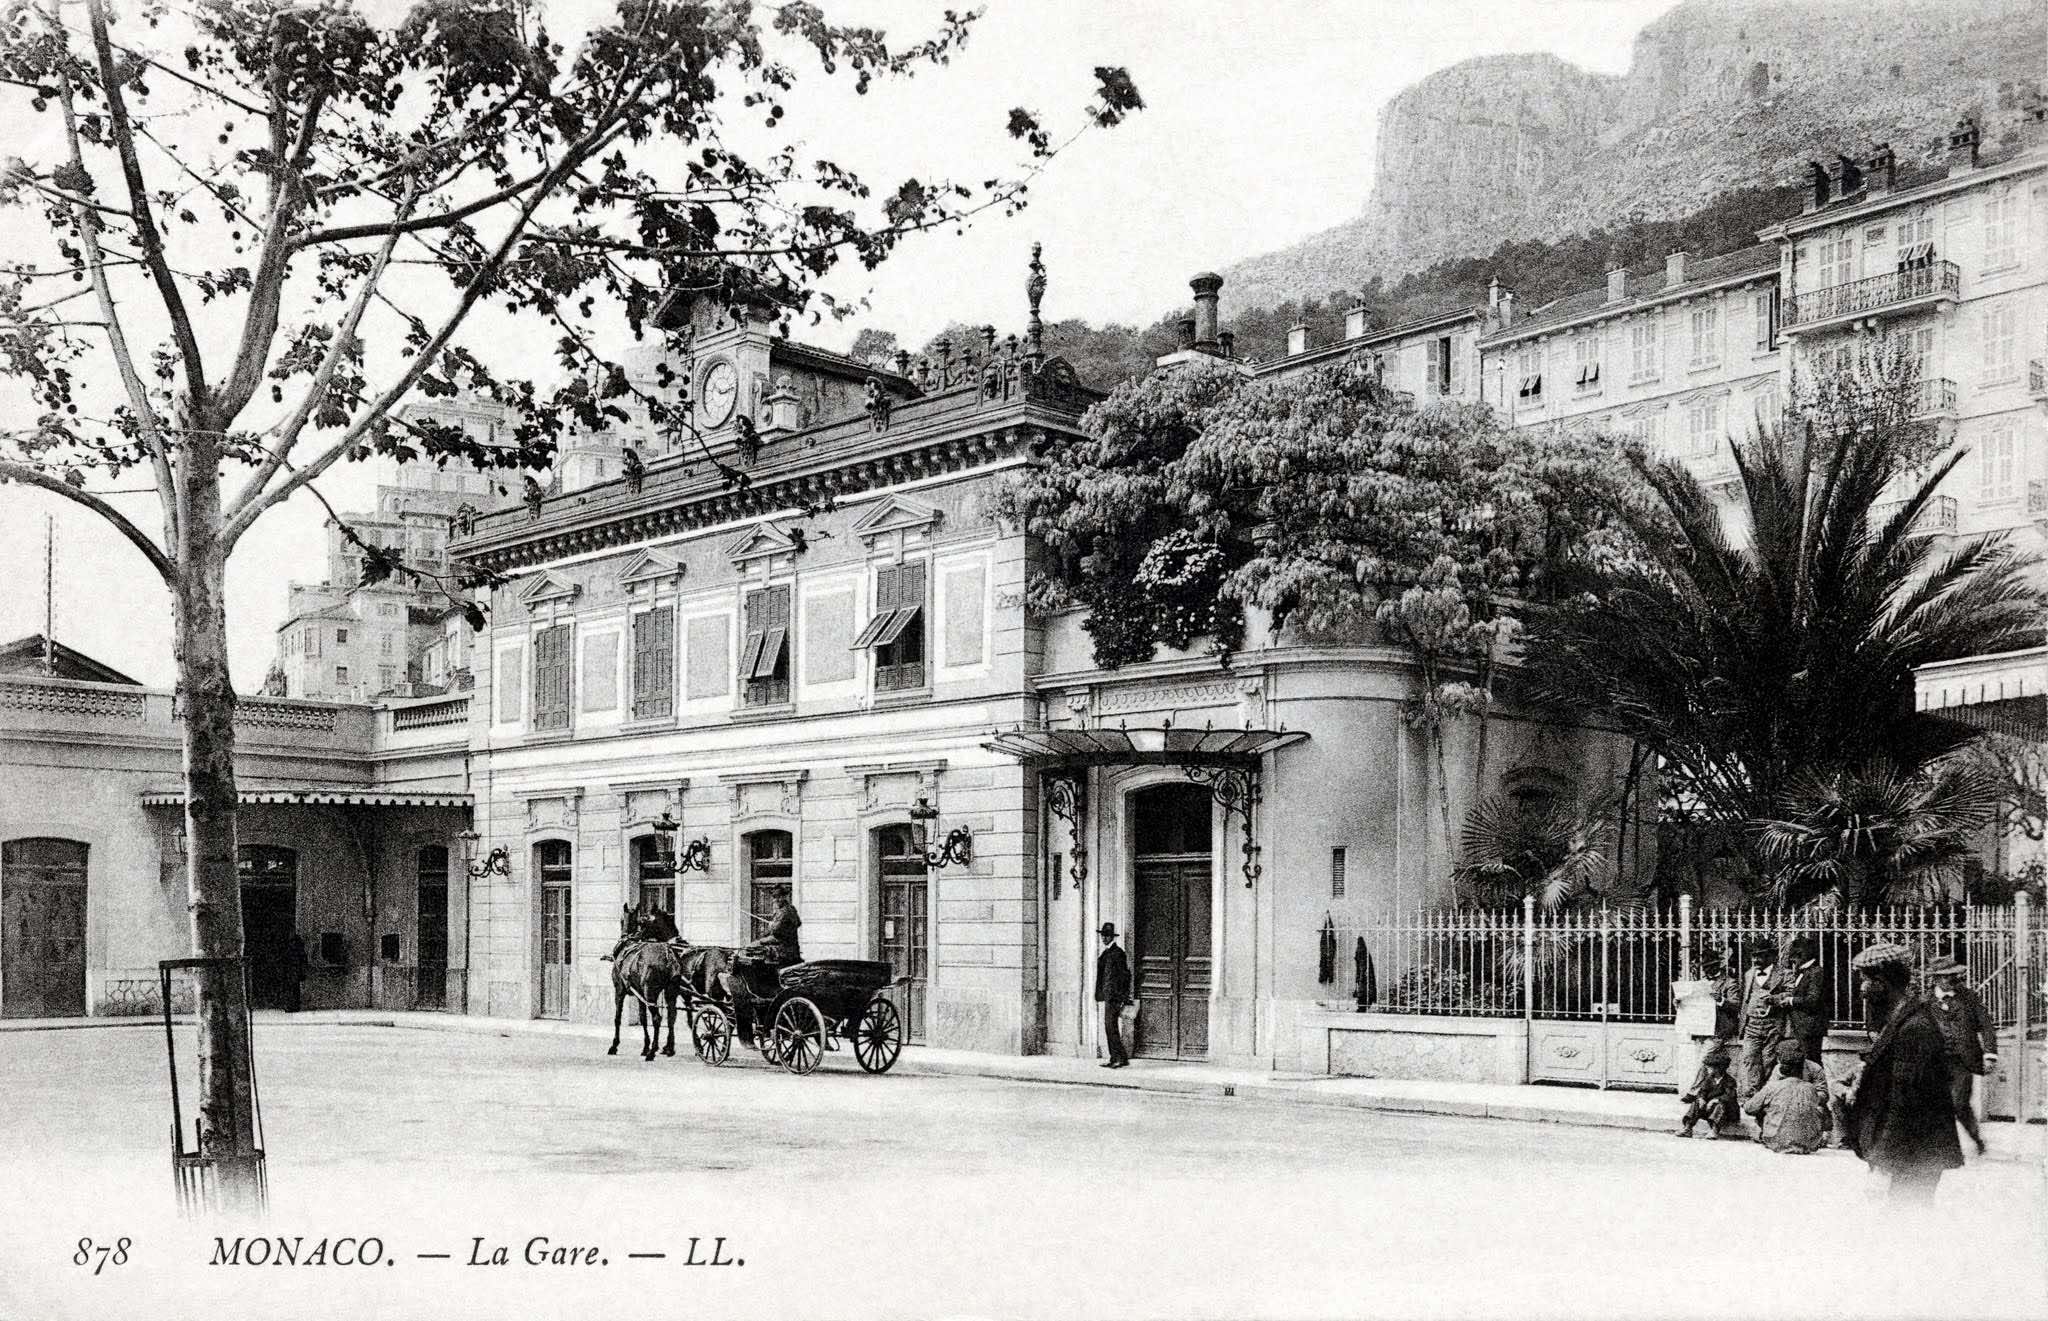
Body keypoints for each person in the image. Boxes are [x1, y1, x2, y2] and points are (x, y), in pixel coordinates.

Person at [1845, 942, 1963, 1204]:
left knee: (1906, 1217)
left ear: (1882, 982)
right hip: (1910, 1148)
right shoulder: (1900, 1020)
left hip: (1916, 1150)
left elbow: (1903, 1100)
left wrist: (1882, 1165)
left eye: (1865, 980)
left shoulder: (1914, 1028)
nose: (1862, 989)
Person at [1926, 958, 1997, 1156]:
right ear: (1936, 979)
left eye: (1953, 975)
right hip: (1934, 1061)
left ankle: (1976, 1138)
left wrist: (1990, 1054)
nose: (1952, 979)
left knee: (1959, 1103)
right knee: (1934, 1104)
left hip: (1962, 1062)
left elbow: (1986, 1026)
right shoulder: (1925, 1001)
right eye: (1946, 976)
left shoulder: (1969, 998)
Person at [1744, 1042, 1832, 1155]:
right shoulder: (1778, 1069)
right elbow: (1773, 1090)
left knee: (1820, 1110)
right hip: (1787, 1101)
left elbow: (1823, 1093)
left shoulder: (1815, 1069)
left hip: (1807, 1102)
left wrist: (1802, 1096)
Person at [1771, 935, 1828, 1079]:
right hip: (1802, 1026)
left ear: (1803, 955)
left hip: (1810, 1027)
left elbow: (1813, 1000)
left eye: (1794, 957)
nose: (1792, 961)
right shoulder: (1805, 972)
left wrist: (1790, 1000)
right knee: (1806, 1061)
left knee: (1811, 1062)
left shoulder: (1816, 972)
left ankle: (1817, 1088)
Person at [1736, 945, 1780, 1100]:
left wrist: (1774, 1000)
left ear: (1770, 957)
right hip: (1752, 1024)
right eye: (1754, 956)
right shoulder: (1749, 974)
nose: (1755, 960)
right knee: (1749, 1058)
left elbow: (1789, 993)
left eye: (1760, 956)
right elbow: (1745, 998)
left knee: (1769, 1060)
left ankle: (1766, 1094)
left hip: (1772, 1024)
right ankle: (1752, 1095)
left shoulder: (1782, 974)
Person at [1676, 1045, 1739, 1139]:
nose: (1707, 1069)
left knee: (1720, 1105)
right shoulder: (1708, 1079)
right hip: (1710, 1109)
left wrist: (1716, 1100)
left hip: (1727, 1111)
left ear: (1718, 1069)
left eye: (1710, 1068)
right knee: (1696, 1103)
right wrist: (1701, 1098)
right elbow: (1702, 1091)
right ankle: (1688, 1128)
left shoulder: (1729, 1081)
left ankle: (1714, 1130)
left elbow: (1729, 1096)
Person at [1095, 922, 1131, 1069]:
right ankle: (1117, 1057)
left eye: (1107, 936)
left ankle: (1118, 1058)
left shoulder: (1118, 953)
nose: (1104, 938)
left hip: (1115, 997)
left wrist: (1123, 997)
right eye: (1103, 935)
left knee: (1111, 1027)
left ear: (1112, 937)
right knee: (1109, 1027)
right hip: (1108, 996)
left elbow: (1125, 976)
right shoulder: (1106, 953)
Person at [286, 931, 307, 1013]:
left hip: (293, 970)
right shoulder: (299, 949)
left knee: (293, 989)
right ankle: (294, 1005)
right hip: (295, 970)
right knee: (294, 989)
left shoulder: (293, 949)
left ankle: (293, 1005)